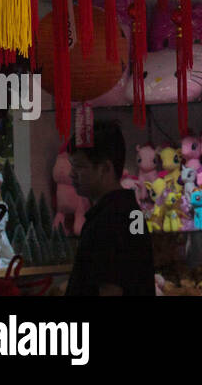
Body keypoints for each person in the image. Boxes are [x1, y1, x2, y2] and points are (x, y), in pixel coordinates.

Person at [65, 122, 155, 296]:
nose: (72, 174)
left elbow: (110, 288)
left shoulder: (109, 220)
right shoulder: (129, 210)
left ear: (105, 168)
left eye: (79, 167)